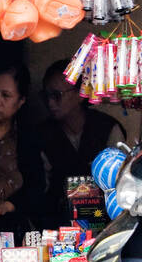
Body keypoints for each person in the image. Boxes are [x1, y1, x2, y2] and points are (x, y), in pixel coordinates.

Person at [39, 59, 125, 225]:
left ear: (80, 93)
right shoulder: (43, 135)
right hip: (58, 225)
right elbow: (41, 188)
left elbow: (121, 183)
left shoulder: (107, 128)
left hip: (105, 222)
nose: (50, 103)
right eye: (46, 96)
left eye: (57, 96)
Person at [0, 64, 46, 232]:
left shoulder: (27, 138)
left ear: (20, 101)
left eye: (6, 95)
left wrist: (8, 205)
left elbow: (37, 185)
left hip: (12, 229)